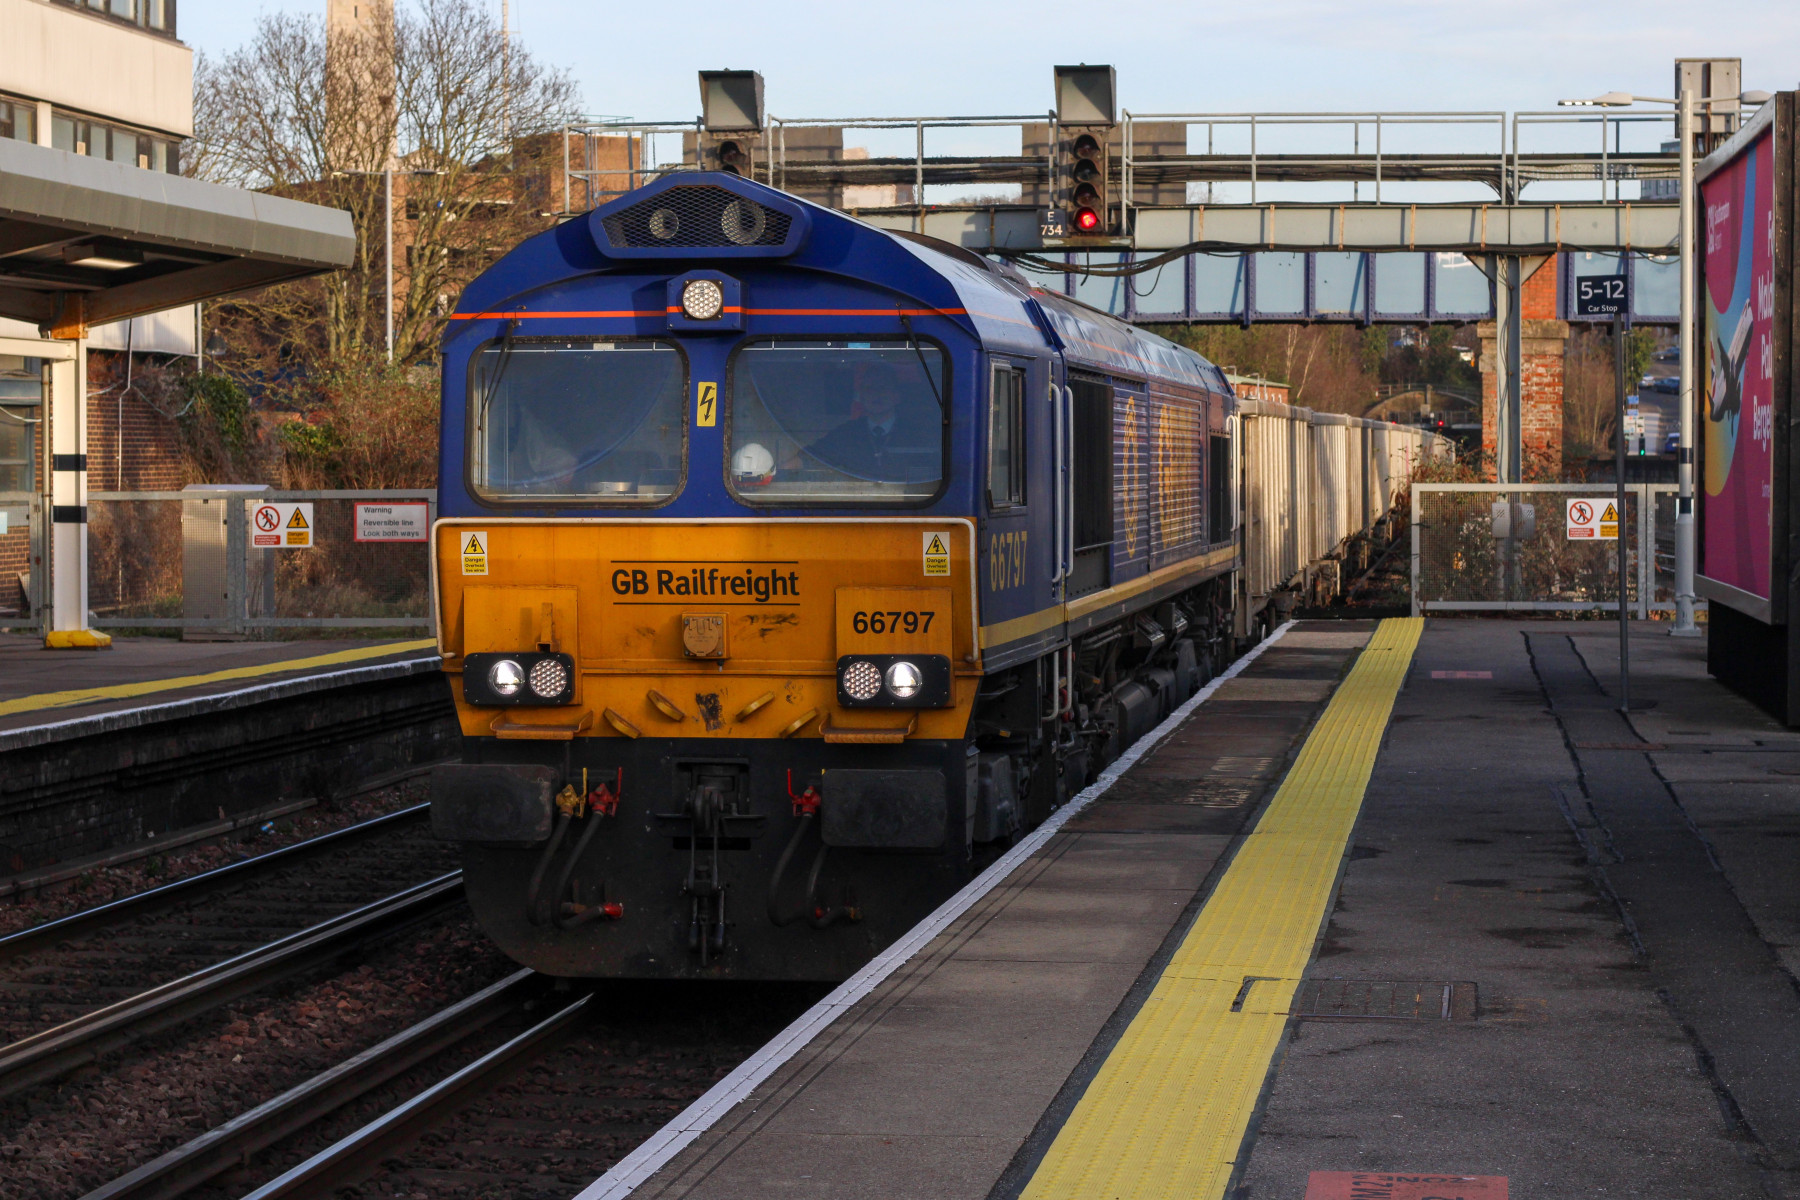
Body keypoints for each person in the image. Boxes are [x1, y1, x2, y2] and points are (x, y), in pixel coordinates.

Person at [804, 361, 939, 481]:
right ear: (860, 397)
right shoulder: (846, 433)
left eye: (882, 388)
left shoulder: (917, 434)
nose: (876, 394)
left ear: (897, 396)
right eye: (869, 389)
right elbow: (808, 457)